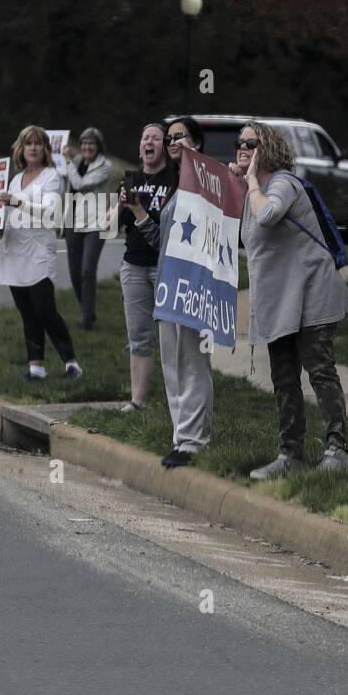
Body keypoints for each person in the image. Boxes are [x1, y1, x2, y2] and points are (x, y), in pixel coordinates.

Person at [230, 121, 348, 478]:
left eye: (250, 143)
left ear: (266, 148)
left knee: (320, 371)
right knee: (284, 378)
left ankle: (338, 449)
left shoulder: (282, 183)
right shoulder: (253, 189)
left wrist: (252, 181)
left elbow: (268, 216)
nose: (242, 147)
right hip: (279, 298)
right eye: (239, 142)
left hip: (312, 290)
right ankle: (290, 454)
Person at [148, 116, 214, 468]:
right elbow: (162, 240)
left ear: (197, 142)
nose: (173, 141)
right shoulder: (174, 183)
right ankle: (181, 436)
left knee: (192, 361)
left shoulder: (207, 181)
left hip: (194, 285)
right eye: (169, 137)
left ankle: (194, 440)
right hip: (167, 284)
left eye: (180, 136)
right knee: (172, 362)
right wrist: (137, 214)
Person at [0, 125, 83, 382]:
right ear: (20, 149)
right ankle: (36, 366)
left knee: (45, 309)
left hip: (38, 252)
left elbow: (49, 213)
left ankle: (71, 363)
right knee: (26, 311)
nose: (32, 147)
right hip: (13, 251)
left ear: (46, 149)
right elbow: (0, 212)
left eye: (38, 143)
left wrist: (17, 201)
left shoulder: (52, 177)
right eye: (27, 143)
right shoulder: (14, 180)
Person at [116, 121, 178, 412]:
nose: (149, 142)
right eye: (145, 138)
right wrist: (120, 206)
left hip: (166, 267)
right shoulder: (130, 178)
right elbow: (113, 226)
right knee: (139, 335)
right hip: (134, 266)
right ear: (140, 147)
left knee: (172, 337)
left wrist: (140, 208)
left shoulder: (176, 178)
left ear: (164, 146)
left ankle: (176, 400)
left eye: (155, 137)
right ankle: (137, 401)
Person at [62, 127, 113, 329]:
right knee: (74, 272)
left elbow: (81, 183)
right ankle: (87, 310)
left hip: (97, 222)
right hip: (73, 221)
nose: (87, 147)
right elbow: (64, 179)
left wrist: (67, 162)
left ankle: (86, 318)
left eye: (91, 143)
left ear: (98, 146)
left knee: (87, 270)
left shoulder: (105, 166)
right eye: (84, 143)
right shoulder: (75, 162)